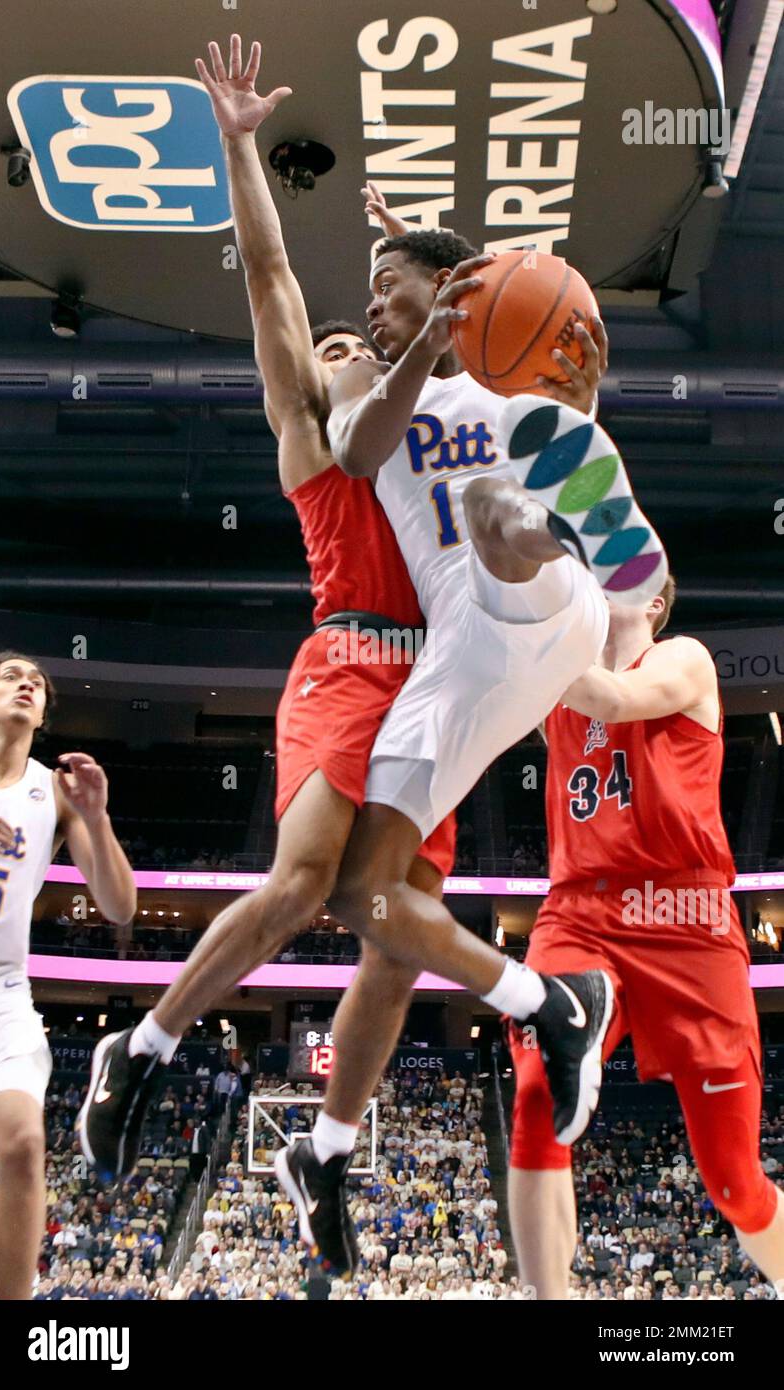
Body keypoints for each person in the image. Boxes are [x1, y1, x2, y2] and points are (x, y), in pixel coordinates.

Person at [79, 36, 612, 1221]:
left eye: (355, 332)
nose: (344, 341)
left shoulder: (424, 401)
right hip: (347, 657)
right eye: (329, 346)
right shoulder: (317, 426)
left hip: (438, 668)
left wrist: (418, 250)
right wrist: (237, 146)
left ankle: (324, 1149)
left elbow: (457, 304)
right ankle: (143, 1051)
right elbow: (269, 277)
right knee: (306, 882)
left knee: (391, 931)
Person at [275, 208, 666, 1263]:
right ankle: (551, 1003)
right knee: (368, 898)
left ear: (445, 297)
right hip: (460, 665)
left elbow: (534, 316)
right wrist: (424, 303)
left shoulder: (500, 375)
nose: (363, 313)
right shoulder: (371, 389)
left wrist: (473, 267)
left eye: (385, 285)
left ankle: (588, 531)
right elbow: (353, 441)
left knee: (500, 508)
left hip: (532, 592)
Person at [507, 581, 784, 1299]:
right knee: (538, 1097)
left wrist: (521, 642)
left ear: (656, 602)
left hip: (686, 915)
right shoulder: (557, 685)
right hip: (581, 911)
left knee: (733, 1182)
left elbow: (612, 700)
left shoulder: (684, 659)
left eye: (616, 574)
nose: (593, 581)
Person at [0, 651, 135, 1299]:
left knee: (22, 1144)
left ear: (41, 715)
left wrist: (95, 818)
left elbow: (121, 907)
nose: (27, 684)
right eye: (11, 676)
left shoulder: (55, 793)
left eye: (37, 683)